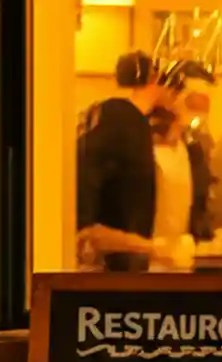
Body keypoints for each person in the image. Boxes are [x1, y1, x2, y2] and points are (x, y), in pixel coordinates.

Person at [76, 51, 187, 240]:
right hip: (115, 259)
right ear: (154, 79)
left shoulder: (100, 116)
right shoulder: (128, 124)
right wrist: (154, 250)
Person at [148, 105, 212, 240]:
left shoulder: (189, 153)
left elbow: (199, 198)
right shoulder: (141, 156)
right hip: (151, 241)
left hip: (182, 239)